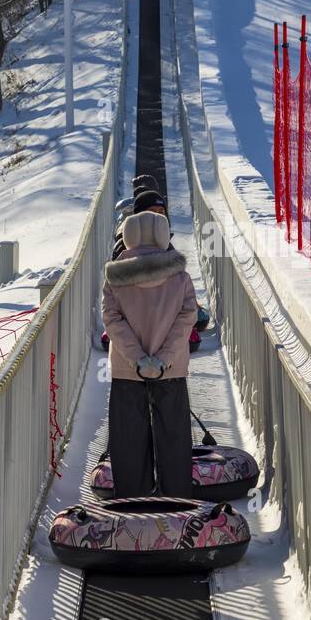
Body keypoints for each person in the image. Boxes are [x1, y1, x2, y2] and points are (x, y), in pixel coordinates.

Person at [101, 206, 197, 498]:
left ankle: (132, 502)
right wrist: (163, 359)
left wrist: (139, 360)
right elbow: (187, 317)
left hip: (127, 372)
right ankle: (177, 501)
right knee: (174, 438)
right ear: (162, 236)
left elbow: (112, 321)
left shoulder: (115, 279)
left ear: (127, 238)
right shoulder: (180, 278)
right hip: (171, 370)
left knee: (128, 439)